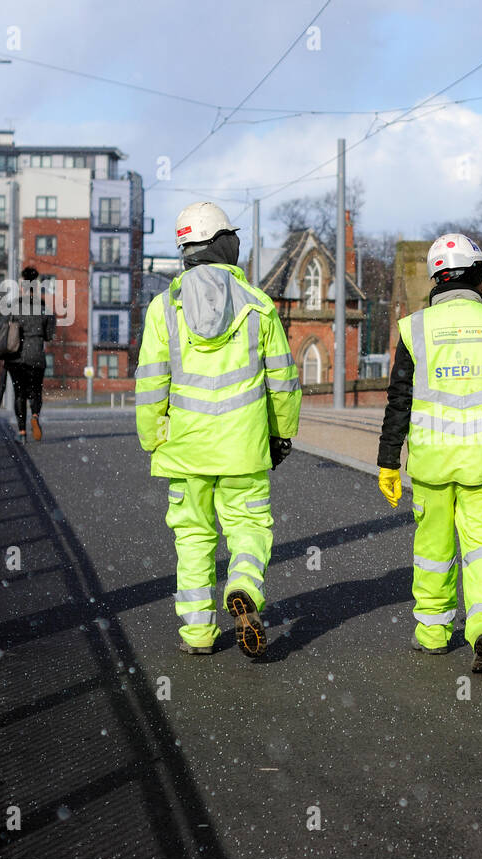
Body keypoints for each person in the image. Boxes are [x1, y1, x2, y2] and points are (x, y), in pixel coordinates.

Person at [134, 202, 300, 656]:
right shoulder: (259, 306)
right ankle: (243, 585)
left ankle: (198, 635)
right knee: (248, 527)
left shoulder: (163, 309)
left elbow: (151, 385)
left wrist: (153, 439)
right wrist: (281, 434)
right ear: (223, 243)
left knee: (193, 539)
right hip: (243, 449)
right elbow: (282, 382)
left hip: (185, 451)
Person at [377, 233, 482, 673]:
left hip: (431, 465)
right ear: (478, 275)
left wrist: (388, 460)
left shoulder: (415, 328)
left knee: (433, 549)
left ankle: (432, 634)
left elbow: (399, 401)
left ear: (436, 279)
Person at [3, 265, 54, 443]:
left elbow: (4, 331)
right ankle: (35, 415)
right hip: (36, 356)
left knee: (19, 393)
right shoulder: (44, 308)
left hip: (16, 357)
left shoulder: (14, 306)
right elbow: (49, 336)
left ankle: (22, 432)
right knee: (35, 391)